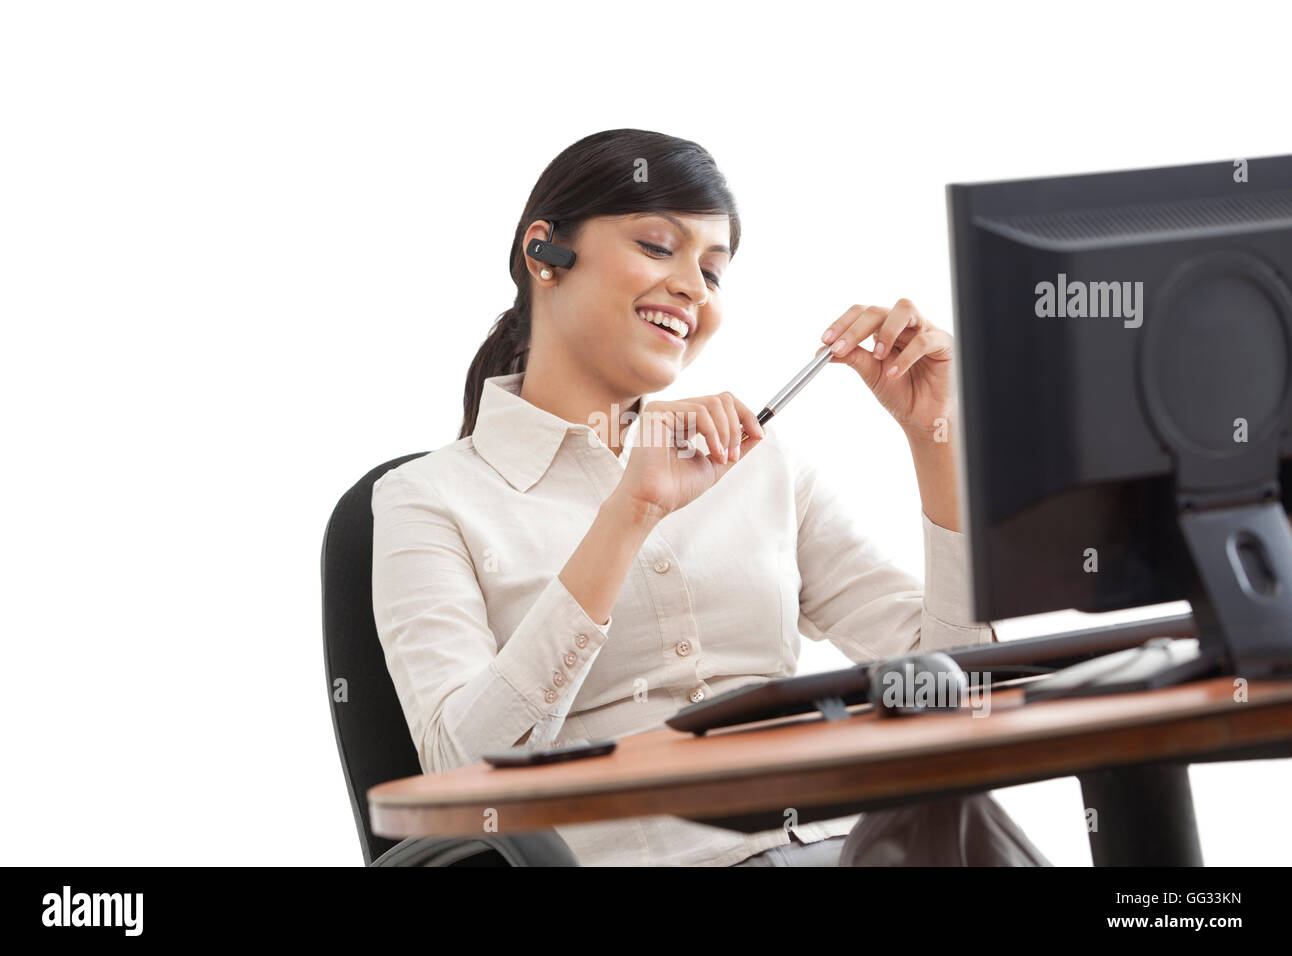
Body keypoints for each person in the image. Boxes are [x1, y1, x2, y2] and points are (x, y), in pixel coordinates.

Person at [370, 128, 1051, 866]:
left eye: (715, 272)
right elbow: (462, 778)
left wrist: (935, 440)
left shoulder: (761, 467)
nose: (695, 288)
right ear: (545, 253)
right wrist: (629, 513)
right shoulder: (427, 500)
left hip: (851, 848)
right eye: (658, 247)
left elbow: (959, 697)